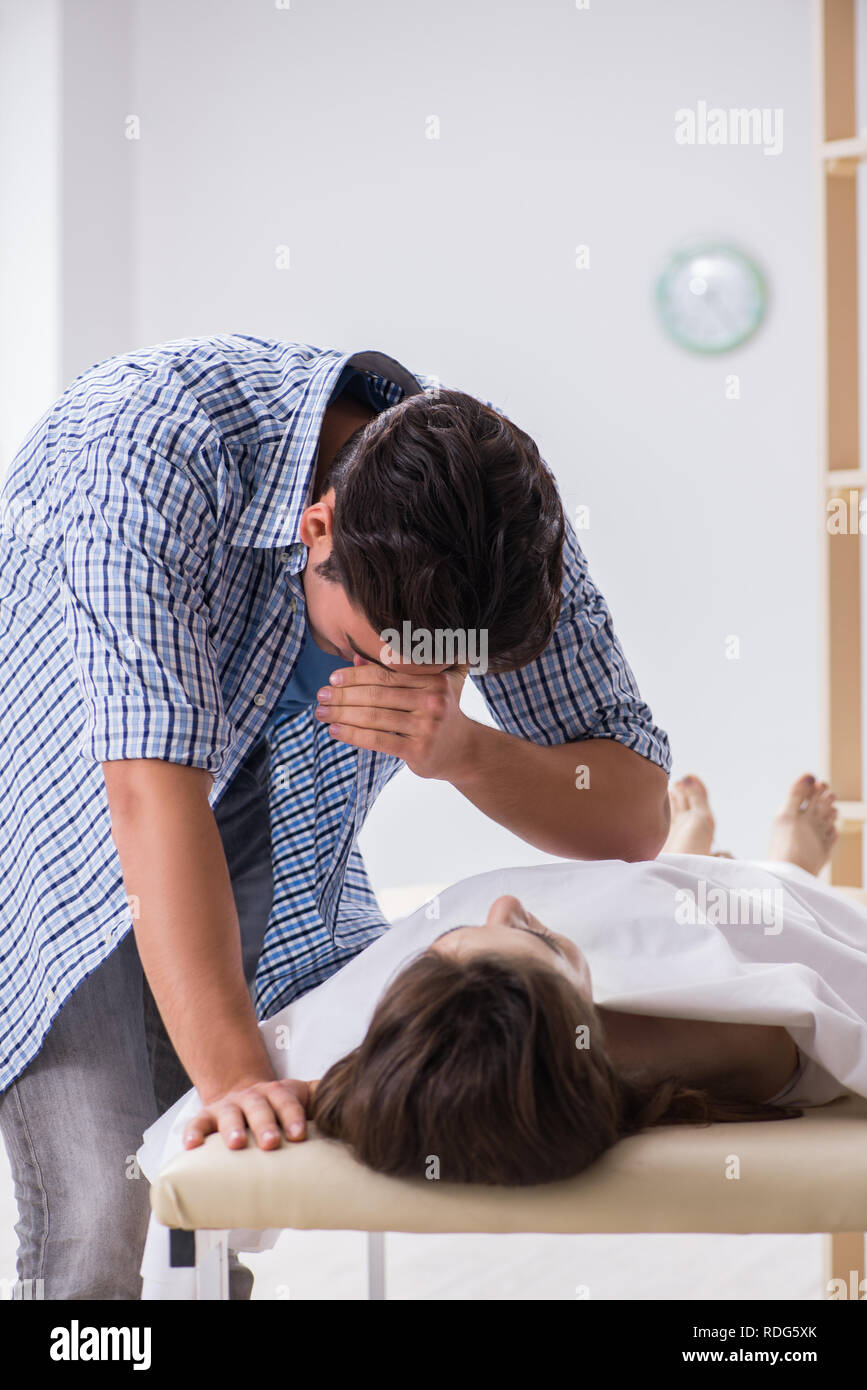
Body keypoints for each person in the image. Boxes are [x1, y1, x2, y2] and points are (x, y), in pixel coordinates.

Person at [0, 334, 670, 1298]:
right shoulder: (146, 448)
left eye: (448, 669)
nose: (413, 688)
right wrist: (234, 1078)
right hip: (58, 819)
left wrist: (467, 752)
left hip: (257, 833)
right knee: (104, 1211)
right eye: (373, 650)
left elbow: (629, 819)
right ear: (317, 529)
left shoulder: (491, 521)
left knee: (218, 1207)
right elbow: (151, 794)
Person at [299, 771, 848, 1186]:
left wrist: (315, 1088)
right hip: (719, 934)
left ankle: (685, 856)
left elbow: (390, 1073)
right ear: (577, 1009)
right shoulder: (757, 1034)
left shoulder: (467, 1062)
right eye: (534, 937)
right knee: (746, 905)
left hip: (651, 924)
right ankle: (784, 863)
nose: (507, 903)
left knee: (653, 896)